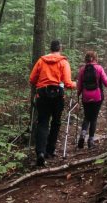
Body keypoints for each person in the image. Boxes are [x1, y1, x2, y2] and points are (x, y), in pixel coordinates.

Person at [28, 39, 75, 167]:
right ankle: (50, 150)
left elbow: (32, 79)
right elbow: (68, 83)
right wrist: (75, 84)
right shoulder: (63, 62)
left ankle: (40, 153)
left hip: (42, 94)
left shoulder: (41, 61)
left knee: (43, 122)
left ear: (50, 49)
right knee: (56, 122)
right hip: (58, 95)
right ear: (60, 49)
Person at [75, 51, 107, 149]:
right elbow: (106, 82)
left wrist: (78, 96)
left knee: (87, 116)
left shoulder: (82, 69)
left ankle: (82, 134)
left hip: (86, 96)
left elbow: (79, 86)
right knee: (93, 118)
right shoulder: (99, 68)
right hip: (97, 96)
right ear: (95, 58)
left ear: (86, 59)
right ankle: (91, 141)